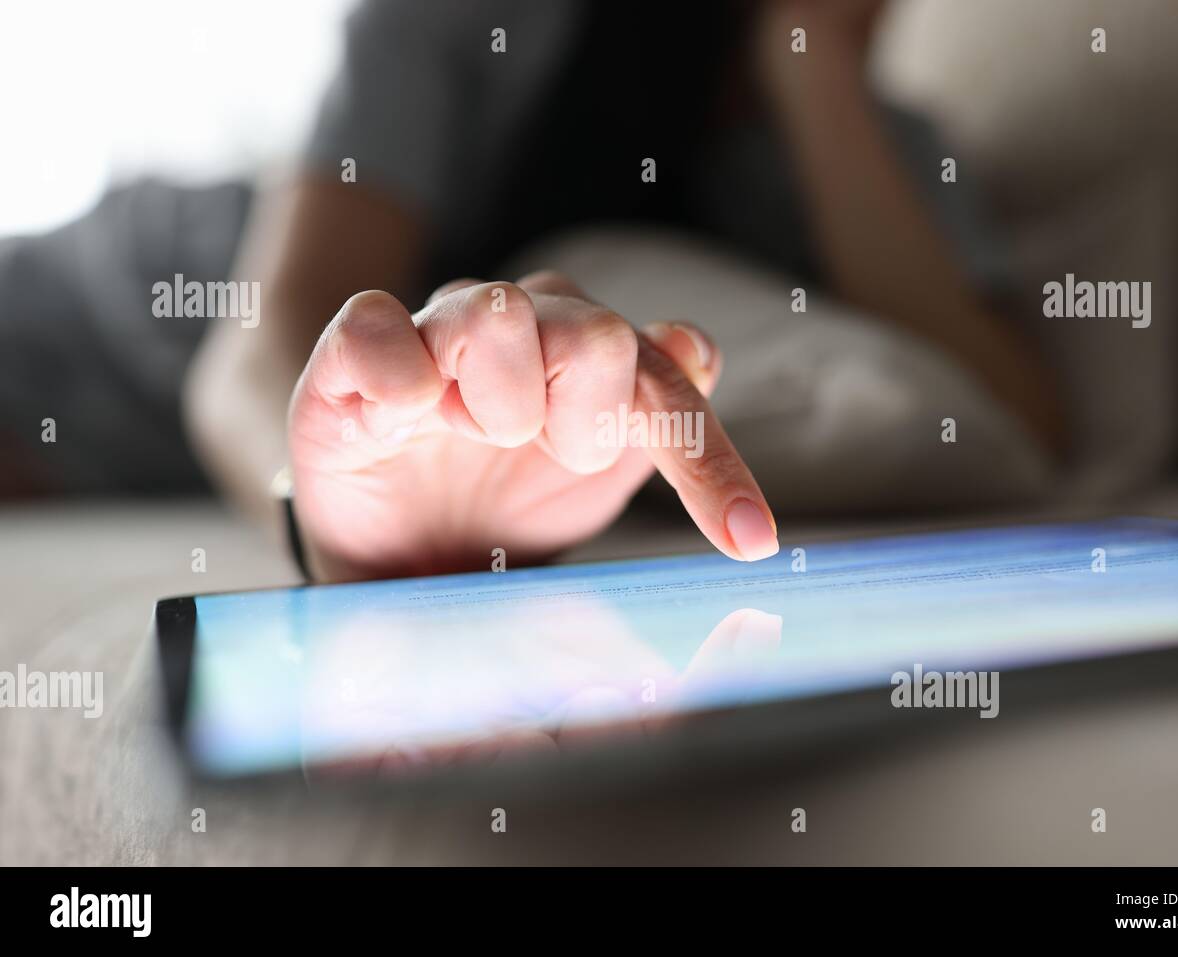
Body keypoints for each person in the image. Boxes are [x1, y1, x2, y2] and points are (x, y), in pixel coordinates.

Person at [1, 1, 1061, 580]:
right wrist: (319, 514)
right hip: (100, 312)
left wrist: (811, 67)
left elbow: (1010, 421)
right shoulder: (455, 23)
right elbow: (250, 349)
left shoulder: (879, 148)